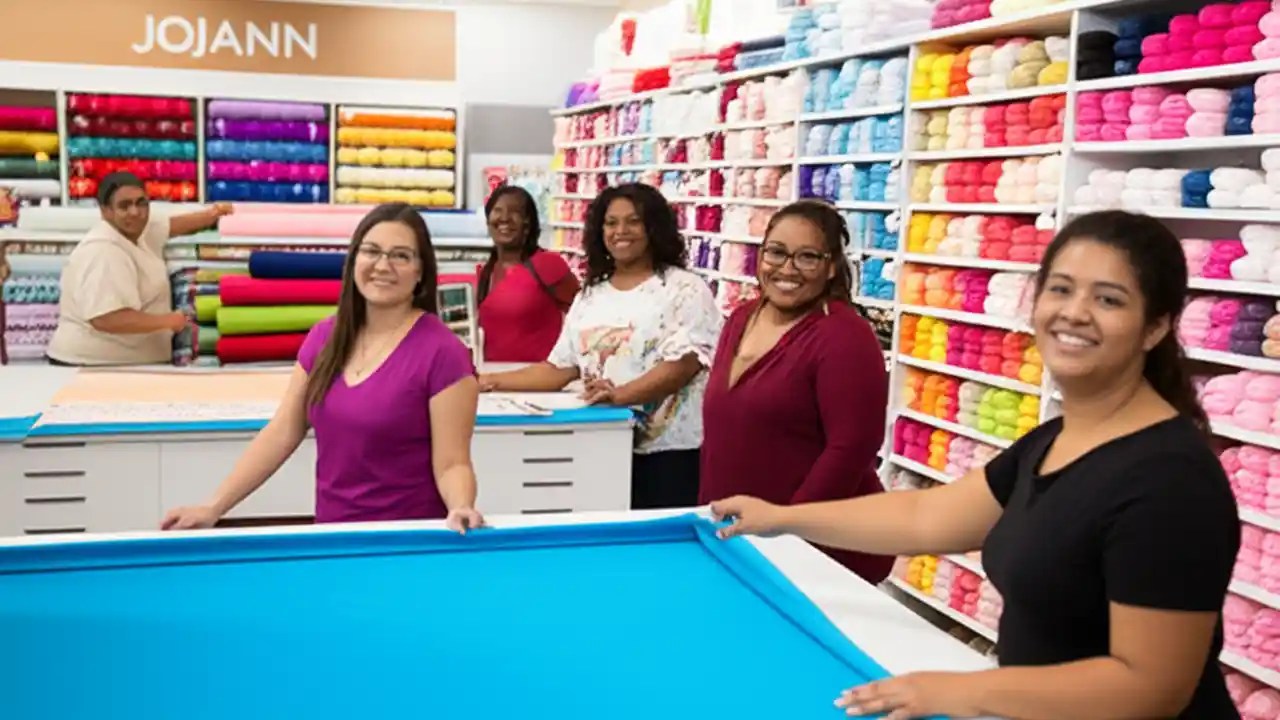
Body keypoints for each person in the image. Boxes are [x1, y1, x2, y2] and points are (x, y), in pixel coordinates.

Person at [713, 210, 1240, 719]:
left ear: (1155, 327)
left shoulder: (1171, 480)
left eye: (1108, 299)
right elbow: (925, 517)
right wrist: (779, 517)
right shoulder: (1056, 441)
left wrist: (964, 691)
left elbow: (1149, 687)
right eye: (1059, 289)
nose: (1074, 312)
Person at [162, 203, 484, 534]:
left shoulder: (443, 353)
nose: (382, 265)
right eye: (371, 251)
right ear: (354, 259)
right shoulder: (325, 338)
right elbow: (282, 431)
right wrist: (213, 506)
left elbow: (452, 463)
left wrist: (461, 506)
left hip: (404, 543)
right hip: (332, 537)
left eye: (401, 255)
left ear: (420, 272)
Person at [479, 183, 722, 509]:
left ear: (654, 227)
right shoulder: (592, 294)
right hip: (599, 444)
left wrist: (619, 396)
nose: (621, 231)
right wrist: (489, 382)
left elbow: (682, 365)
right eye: (611, 223)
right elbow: (558, 369)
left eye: (633, 221)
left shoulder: (684, 289)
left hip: (667, 455)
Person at [700, 201, 893, 584]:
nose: (787, 269)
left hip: (814, 552)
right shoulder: (741, 317)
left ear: (832, 266)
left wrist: (789, 531)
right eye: (776, 252)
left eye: (807, 257)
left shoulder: (844, 336)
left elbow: (851, 449)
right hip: (739, 538)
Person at [45, 171, 232, 366]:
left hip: (124, 365)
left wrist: (215, 214)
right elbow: (107, 318)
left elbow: (174, 225)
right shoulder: (104, 250)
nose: (135, 212)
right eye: (124, 206)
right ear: (105, 211)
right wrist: (169, 321)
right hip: (93, 365)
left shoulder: (138, 230)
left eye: (141, 203)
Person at [476, 185, 579, 362]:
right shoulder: (486, 271)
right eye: (497, 210)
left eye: (515, 212)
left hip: (537, 384)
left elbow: (583, 314)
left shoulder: (548, 264)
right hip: (492, 381)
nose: (504, 218)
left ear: (528, 222)